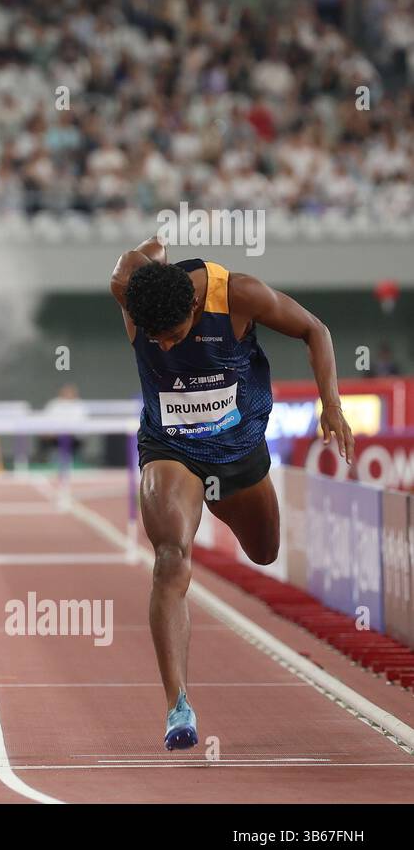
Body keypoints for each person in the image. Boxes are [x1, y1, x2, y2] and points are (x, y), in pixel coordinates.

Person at [110, 237, 354, 750]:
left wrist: (330, 402)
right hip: (170, 447)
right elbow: (137, 258)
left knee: (265, 551)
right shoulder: (130, 289)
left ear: (195, 308)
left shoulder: (238, 295)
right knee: (171, 557)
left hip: (239, 450)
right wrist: (151, 253)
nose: (167, 347)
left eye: (174, 336)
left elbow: (316, 329)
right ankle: (178, 706)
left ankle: (214, 498)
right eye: (157, 340)